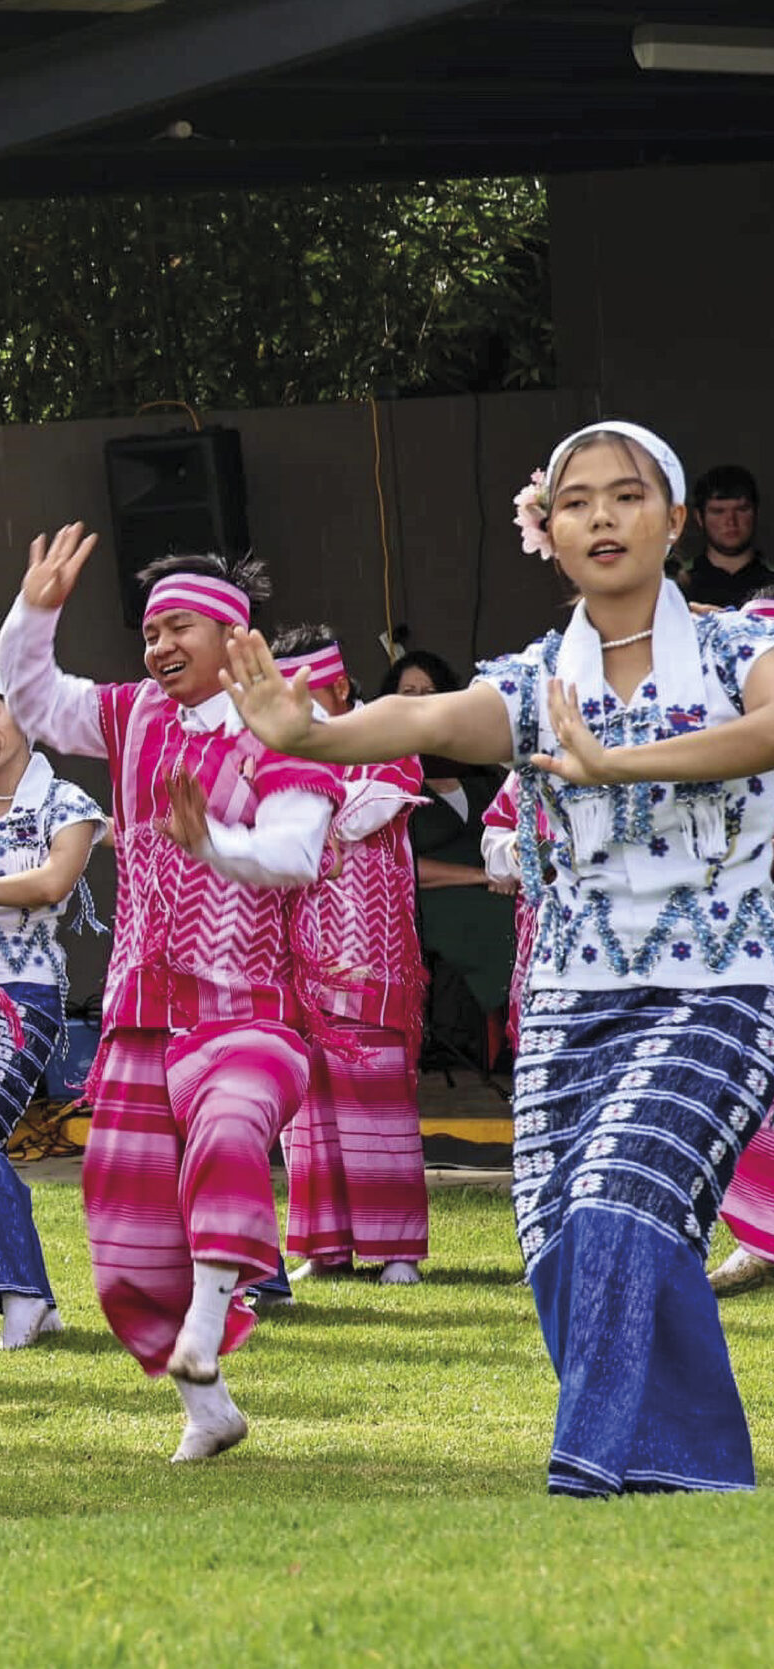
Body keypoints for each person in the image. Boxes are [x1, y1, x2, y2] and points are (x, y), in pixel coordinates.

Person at [226, 419, 774, 1497]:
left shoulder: (737, 648)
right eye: (577, 502)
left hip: (717, 986)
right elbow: (423, 712)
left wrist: (618, 765)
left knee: (623, 1197)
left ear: (671, 522)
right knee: (557, 1236)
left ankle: (616, 1459)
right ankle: (685, 1458)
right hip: (571, 992)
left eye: (626, 496)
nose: (603, 517)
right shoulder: (533, 681)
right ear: (550, 531)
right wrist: (313, 737)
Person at [0, 536, 342, 1463]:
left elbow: (297, 852)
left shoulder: (283, 722)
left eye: (176, 625)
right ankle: (209, 1402)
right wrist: (34, 612)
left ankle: (205, 1323)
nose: (157, 645)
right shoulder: (132, 713)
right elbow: (34, 697)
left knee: (230, 1134)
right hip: (140, 1012)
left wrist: (216, 848)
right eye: (148, 631)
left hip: (249, 1007)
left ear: (235, 633)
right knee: (126, 1225)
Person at [0, 662, 100, 1348]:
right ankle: (28, 1291)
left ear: (24, 715)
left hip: (22, 997)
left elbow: (52, 882)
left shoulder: (65, 801)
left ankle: (23, 1292)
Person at [266, 626, 429, 1284]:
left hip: (371, 952)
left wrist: (294, 812)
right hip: (295, 954)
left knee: (375, 1098)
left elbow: (359, 814)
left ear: (336, 686)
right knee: (305, 1106)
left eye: (298, 692)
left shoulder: (386, 736)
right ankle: (324, 1246)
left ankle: (398, 1250)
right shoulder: (278, 752)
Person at [676, 464, 772, 608]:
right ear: (699, 517)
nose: (731, 521)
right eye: (718, 511)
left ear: (755, 512)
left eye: (741, 509)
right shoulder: (676, 585)